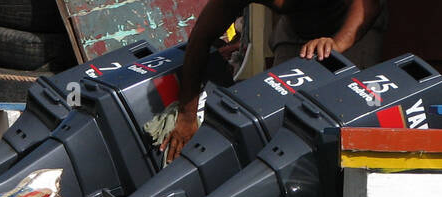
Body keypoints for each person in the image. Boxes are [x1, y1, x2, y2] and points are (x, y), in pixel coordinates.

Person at [163, 0, 386, 162]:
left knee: (347, 108)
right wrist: (186, 116)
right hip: (297, 27)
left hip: (352, 23)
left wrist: (334, 45)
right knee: (279, 111)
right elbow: (200, 38)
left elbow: (368, 6)